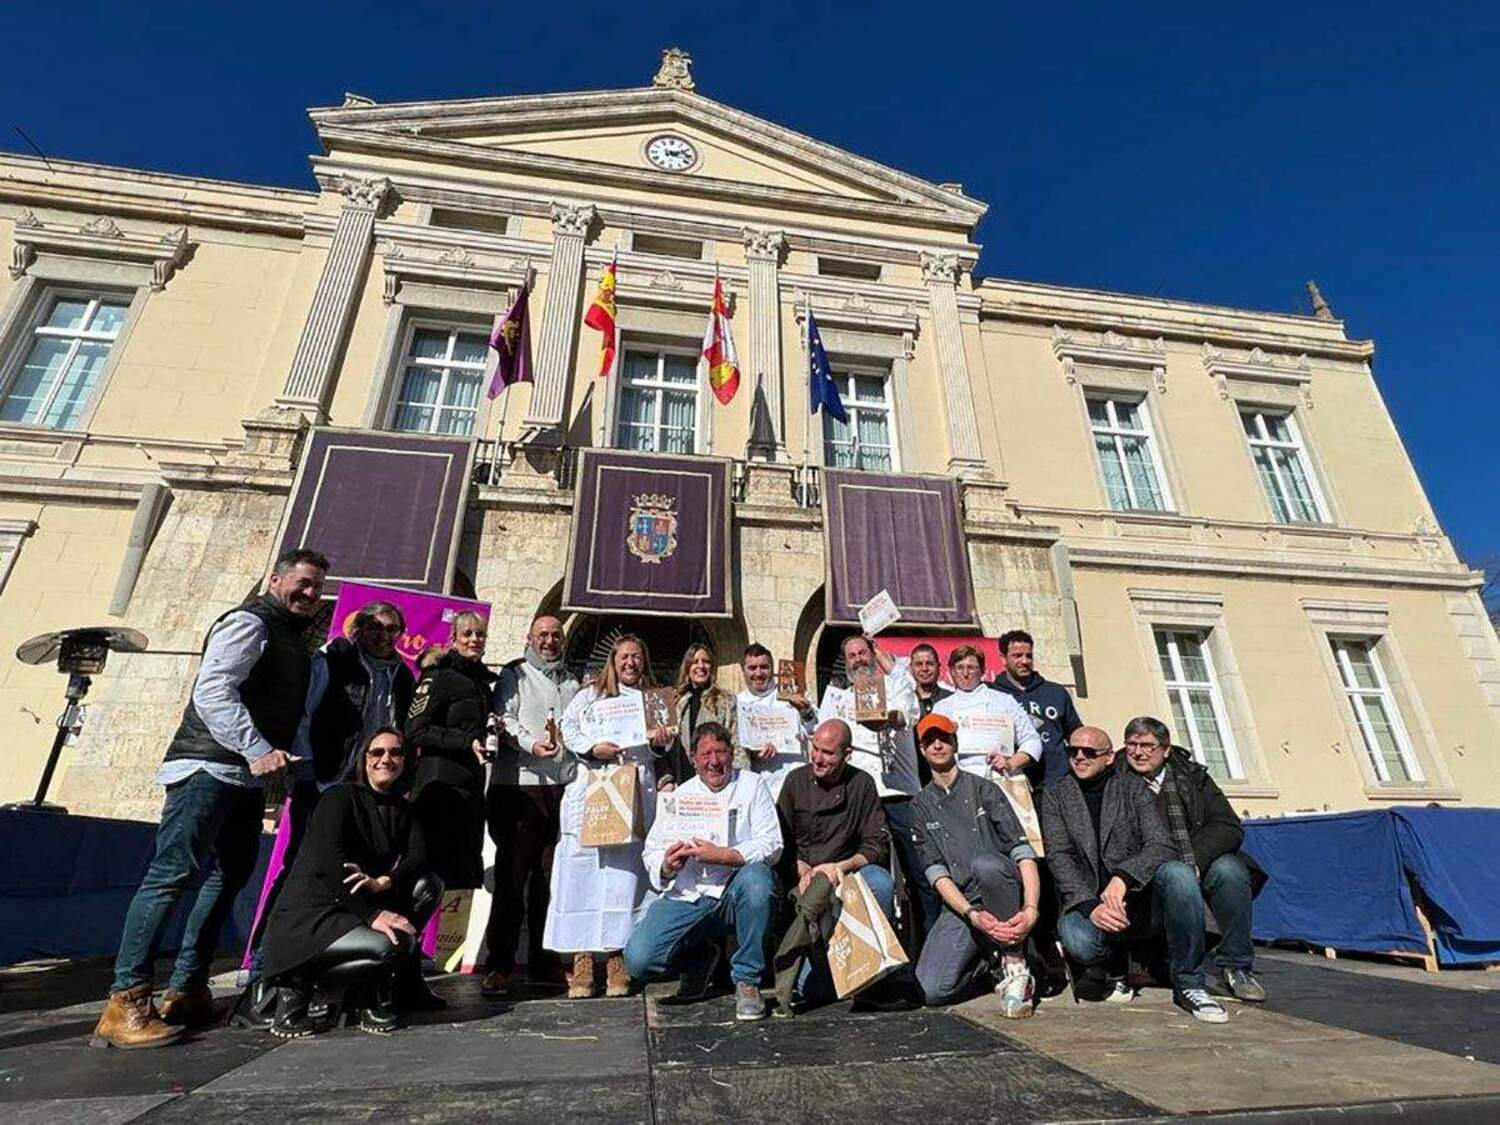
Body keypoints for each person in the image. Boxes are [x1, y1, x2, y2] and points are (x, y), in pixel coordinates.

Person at [92, 547, 326, 1050]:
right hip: (206, 767)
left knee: (228, 876)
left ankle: (187, 987)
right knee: (171, 875)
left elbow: (288, 710)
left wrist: (291, 763)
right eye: (302, 583)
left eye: (317, 587)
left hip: (242, 777)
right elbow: (214, 690)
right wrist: (258, 748)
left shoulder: (289, 636)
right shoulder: (249, 622)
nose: (310, 593)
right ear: (276, 578)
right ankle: (126, 1000)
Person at [234, 598, 417, 1027]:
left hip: (371, 791)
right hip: (328, 781)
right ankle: (266, 971)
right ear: (358, 629)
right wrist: (308, 770)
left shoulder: (404, 676)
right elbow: (307, 714)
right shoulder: (334, 662)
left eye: (390, 628)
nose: (381, 634)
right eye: (372, 626)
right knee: (302, 869)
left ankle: (349, 976)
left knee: (359, 872)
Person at [259, 728, 443, 1037]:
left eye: (396, 752)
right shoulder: (339, 797)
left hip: (352, 912)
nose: (386, 759)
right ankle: (298, 989)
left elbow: (418, 856)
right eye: (377, 752)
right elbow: (329, 859)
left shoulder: (402, 809)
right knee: (393, 944)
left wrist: (386, 881)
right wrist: (373, 914)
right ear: (365, 759)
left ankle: (395, 990)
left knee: (429, 885)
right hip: (312, 917)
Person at [1040, 726, 1229, 1024]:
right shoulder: (1056, 794)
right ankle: (1114, 964)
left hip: (1137, 899)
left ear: (1108, 758)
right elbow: (1059, 856)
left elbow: (1160, 843)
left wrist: (1123, 878)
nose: (1079, 757)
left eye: (1089, 752)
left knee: (1179, 874)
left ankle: (1190, 983)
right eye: (1072, 751)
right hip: (1088, 899)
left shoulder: (1132, 788)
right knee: (1078, 940)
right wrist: (1091, 907)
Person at [624, 722, 783, 1021]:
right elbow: (653, 849)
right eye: (706, 754)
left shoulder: (752, 785)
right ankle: (698, 959)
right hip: (689, 895)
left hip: (735, 891)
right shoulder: (679, 797)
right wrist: (667, 864)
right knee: (638, 960)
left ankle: (747, 981)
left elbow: (772, 843)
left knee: (758, 880)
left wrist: (725, 855)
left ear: (731, 755)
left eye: (721, 752)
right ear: (693, 758)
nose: (714, 761)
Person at [549, 634, 673, 998]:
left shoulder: (653, 699)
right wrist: (592, 748)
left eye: (637, 657)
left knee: (626, 878)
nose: (630, 663)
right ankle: (583, 957)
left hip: (634, 789)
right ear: (613, 661)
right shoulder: (589, 695)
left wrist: (659, 739)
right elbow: (568, 729)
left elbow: (663, 744)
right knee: (582, 875)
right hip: (594, 789)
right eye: (624, 657)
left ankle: (618, 958)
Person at [1120, 716, 1268, 1003]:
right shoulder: (1117, 778)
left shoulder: (1192, 776)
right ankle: (1185, 973)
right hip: (1145, 867)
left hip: (1191, 856)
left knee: (1231, 871)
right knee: (1176, 876)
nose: (1138, 752)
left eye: (1147, 746)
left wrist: (1197, 860)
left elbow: (1227, 824)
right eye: (1132, 745)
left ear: (1165, 750)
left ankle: (1236, 966)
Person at [910, 713, 1041, 1016]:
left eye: (944, 738)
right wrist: (972, 915)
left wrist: (1031, 909)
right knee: (931, 989)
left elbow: (1023, 853)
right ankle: (988, 962)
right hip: (963, 904)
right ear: (921, 749)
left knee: (985, 864)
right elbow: (938, 876)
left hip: (1000, 891)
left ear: (955, 743)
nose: (938, 745)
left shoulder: (985, 789)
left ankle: (1015, 963)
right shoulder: (919, 805)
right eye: (930, 741)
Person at [481, 614, 580, 999]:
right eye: (543, 635)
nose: (550, 641)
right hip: (519, 789)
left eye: (556, 635)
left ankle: (545, 962)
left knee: (549, 881)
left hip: (561, 788)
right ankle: (500, 965)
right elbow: (502, 719)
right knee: (512, 879)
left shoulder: (573, 680)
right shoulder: (514, 675)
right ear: (530, 638)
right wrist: (530, 744)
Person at [817, 634, 937, 940]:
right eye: (852, 655)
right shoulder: (837, 697)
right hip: (858, 797)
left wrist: (887, 718)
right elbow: (823, 737)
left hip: (900, 794)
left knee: (920, 872)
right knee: (873, 876)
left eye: (862, 652)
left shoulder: (897, 683)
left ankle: (931, 943)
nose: (858, 658)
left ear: (873, 654)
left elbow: (907, 716)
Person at [772, 719, 896, 1010]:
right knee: (815, 991)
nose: (817, 758)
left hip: (845, 876)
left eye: (828, 753)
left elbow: (877, 844)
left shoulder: (862, 784)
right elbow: (781, 842)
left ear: (846, 754)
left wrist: (840, 867)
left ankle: (873, 974)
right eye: (815, 749)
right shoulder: (795, 781)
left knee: (880, 881)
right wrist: (801, 868)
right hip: (805, 881)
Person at [405, 610, 493, 897]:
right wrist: (465, 740)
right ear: (453, 639)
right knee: (432, 869)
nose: (474, 640)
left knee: (462, 870)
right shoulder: (439, 676)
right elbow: (415, 729)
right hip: (438, 787)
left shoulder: (481, 682)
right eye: (467, 634)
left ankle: (448, 939)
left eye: (479, 634)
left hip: (470, 787)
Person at [989, 630, 1083, 790]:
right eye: (1017, 656)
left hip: (1057, 780)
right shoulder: (991, 694)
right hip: (1012, 780)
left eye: (1029, 655)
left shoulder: (1056, 692)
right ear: (1003, 658)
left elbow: (1075, 732)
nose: (1024, 661)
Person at [933, 644, 1041, 781]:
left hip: (1000, 778)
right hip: (959, 782)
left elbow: (1032, 740)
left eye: (971, 668)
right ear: (952, 671)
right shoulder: (941, 708)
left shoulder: (1004, 701)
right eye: (960, 668)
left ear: (982, 670)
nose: (965, 674)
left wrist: (1010, 763)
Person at [736, 643, 817, 798]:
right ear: (743, 670)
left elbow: (815, 731)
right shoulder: (737, 703)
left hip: (796, 785)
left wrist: (806, 711)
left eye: (764, 667)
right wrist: (753, 756)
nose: (758, 673)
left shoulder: (792, 695)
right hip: (759, 789)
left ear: (772, 669)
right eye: (752, 668)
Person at [660, 642, 740, 788]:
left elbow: (736, 742)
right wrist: (666, 779)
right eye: (695, 662)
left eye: (706, 662)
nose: (701, 666)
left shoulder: (725, 701)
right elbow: (665, 746)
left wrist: (738, 783)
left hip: (716, 781)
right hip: (682, 781)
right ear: (687, 667)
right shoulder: (675, 701)